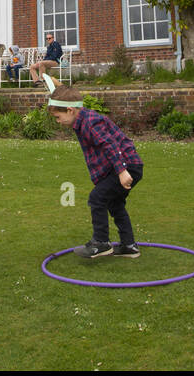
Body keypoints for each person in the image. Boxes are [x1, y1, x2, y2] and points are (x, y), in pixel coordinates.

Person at [45, 75, 143, 259]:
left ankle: (101, 243)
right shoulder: (79, 115)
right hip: (121, 166)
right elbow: (68, 96)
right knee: (115, 204)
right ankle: (129, 246)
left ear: (70, 110)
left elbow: (110, 144)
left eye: (58, 117)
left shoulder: (90, 122)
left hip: (126, 166)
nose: (58, 121)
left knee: (97, 198)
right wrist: (58, 86)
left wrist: (122, 172)